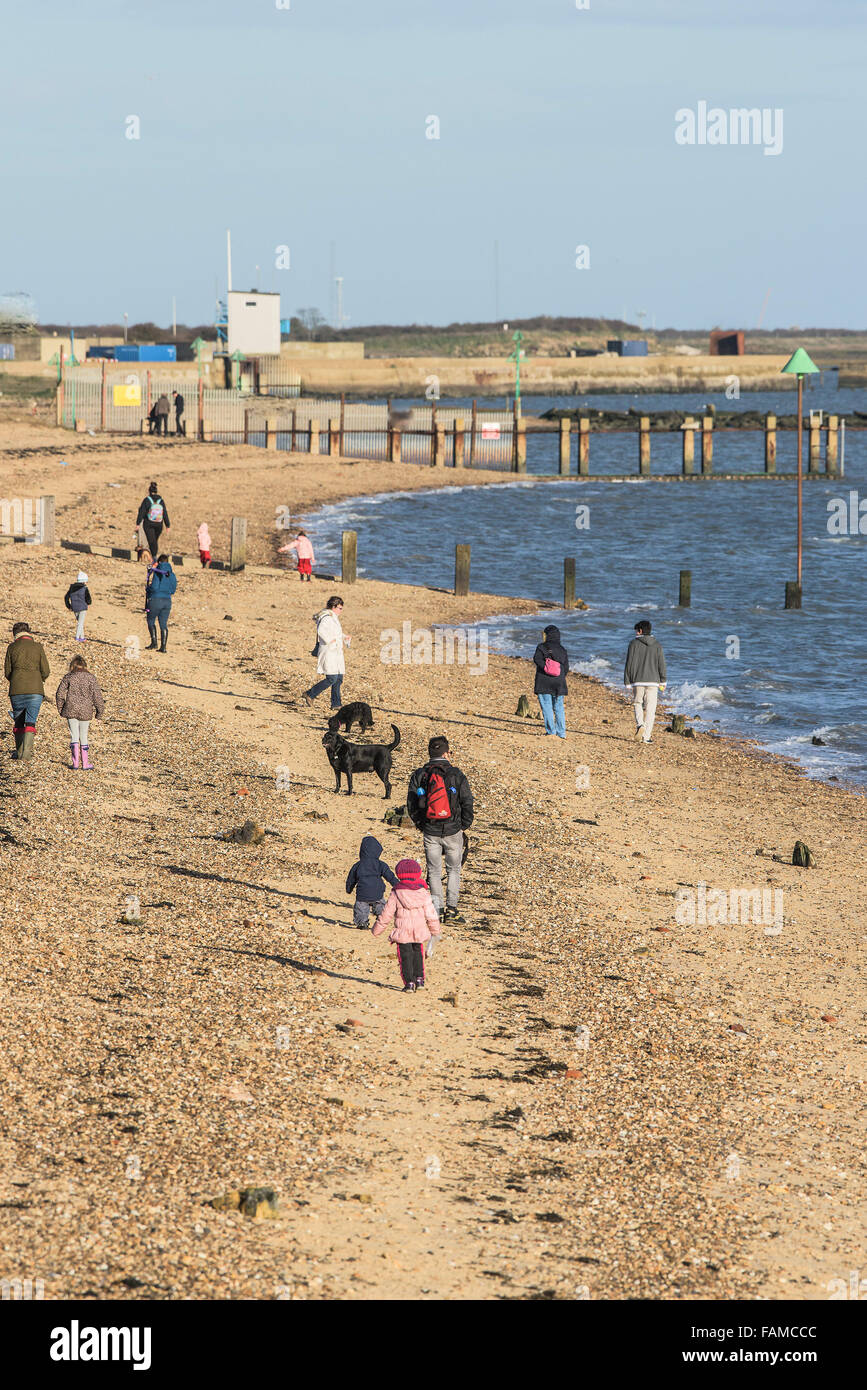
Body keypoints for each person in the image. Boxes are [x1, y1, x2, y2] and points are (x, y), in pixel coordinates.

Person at [407, 736, 474, 924]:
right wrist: (464, 825)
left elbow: (411, 804)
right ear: (446, 753)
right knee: (454, 870)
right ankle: (452, 910)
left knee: (434, 871)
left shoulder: (420, 774)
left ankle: (437, 910)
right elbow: (467, 801)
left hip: (430, 830)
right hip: (453, 830)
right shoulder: (456, 774)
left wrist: (421, 824)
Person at [372, 859, 441, 993]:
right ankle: (420, 980)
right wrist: (435, 931)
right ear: (418, 874)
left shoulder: (396, 893)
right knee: (418, 955)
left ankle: (409, 982)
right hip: (419, 931)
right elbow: (431, 914)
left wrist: (377, 929)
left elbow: (387, 913)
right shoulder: (423, 893)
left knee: (405, 958)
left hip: (402, 932)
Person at [4, 621, 50, 762]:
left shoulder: (12, 647)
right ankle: (26, 754)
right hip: (35, 690)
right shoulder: (38, 647)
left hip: (16, 690)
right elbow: (46, 671)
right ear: (29, 632)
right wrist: (38, 678)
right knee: (30, 722)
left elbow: (7, 672)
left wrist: (16, 679)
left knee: (18, 722)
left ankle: (18, 752)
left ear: (15, 634)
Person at [55, 654, 105, 770]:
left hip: (70, 708)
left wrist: (61, 709)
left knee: (74, 735)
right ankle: (85, 763)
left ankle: (75, 763)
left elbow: (59, 694)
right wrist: (99, 712)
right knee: (84, 735)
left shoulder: (68, 677)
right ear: (84, 666)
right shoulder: (91, 678)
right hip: (86, 710)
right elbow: (97, 696)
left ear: (72, 666)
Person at [624, 619, 667, 744]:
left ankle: (640, 725)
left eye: (637, 631)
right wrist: (663, 681)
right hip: (654, 681)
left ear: (640, 630)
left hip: (638, 680)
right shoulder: (657, 644)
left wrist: (627, 680)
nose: (636, 633)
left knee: (637, 703)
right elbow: (661, 664)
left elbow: (629, 663)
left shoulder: (633, 644)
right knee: (651, 709)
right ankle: (646, 737)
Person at [303, 596, 350, 709]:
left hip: (336, 651)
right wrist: (330, 641)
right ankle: (310, 694)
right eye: (340, 608)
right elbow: (321, 631)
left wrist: (344, 637)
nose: (341, 611)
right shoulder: (327, 617)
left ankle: (336, 703)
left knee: (338, 678)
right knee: (332, 678)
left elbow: (335, 633)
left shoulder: (333, 617)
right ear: (333, 607)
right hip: (329, 651)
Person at [346, 835, 398, 929]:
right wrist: (398, 885)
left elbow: (351, 879)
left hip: (363, 892)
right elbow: (390, 876)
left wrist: (349, 889)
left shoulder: (358, 865)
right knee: (380, 906)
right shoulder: (380, 864)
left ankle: (362, 923)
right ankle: (381, 919)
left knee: (361, 908)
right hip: (377, 891)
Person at [532, 623, 569, 739]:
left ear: (547, 635)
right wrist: (558, 675)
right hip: (559, 682)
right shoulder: (563, 650)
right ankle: (561, 733)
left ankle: (551, 731)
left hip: (544, 681)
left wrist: (546, 668)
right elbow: (566, 668)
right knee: (559, 707)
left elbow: (536, 659)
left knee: (546, 706)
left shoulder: (541, 647)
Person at [145, 554, 177, 653]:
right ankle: (163, 647)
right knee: (163, 624)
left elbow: (154, 587)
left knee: (150, 620)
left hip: (155, 600)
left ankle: (154, 643)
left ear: (158, 562)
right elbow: (173, 590)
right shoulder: (172, 574)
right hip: (167, 601)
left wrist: (148, 589)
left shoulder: (157, 573)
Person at [136, 482, 170, 559]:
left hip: (149, 524)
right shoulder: (161, 501)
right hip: (159, 524)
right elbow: (164, 513)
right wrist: (167, 525)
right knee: (154, 541)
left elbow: (142, 512)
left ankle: (154, 558)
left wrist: (138, 523)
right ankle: (153, 556)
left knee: (151, 541)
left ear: (149, 491)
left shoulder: (147, 500)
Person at [64, 571, 92, 642]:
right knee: (80, 623)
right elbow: (88, 599)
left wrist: (69, 606)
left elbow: (66, 597)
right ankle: (77, 637)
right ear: (83, 581)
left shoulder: (71, 588)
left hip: (74, 607)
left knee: (80, 622)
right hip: (82, 608)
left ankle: (82, 637)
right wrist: (88, 603)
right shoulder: (85, 588)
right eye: (86, 581)